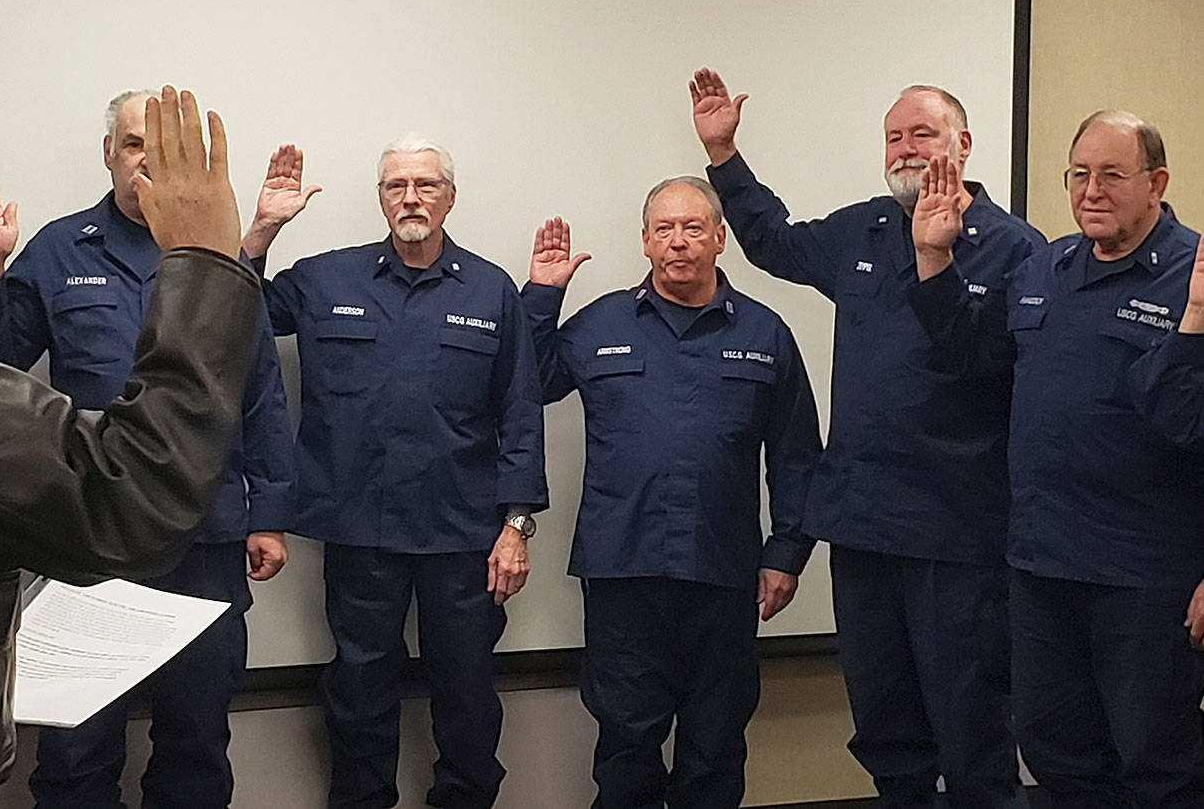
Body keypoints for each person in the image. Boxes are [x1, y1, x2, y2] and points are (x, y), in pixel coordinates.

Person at [0, 14, 261, 809]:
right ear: (109, 154)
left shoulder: (219, 264)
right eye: (132, 143)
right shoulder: (62, 249)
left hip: (204, 535)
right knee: (76, 752)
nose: (143, 159)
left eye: (156, 146)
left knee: (199, 737)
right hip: (80, 529)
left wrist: (265, 511)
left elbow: (256, 389)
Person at [689, 68, 1043, 808]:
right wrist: (724, 156)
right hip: (864, 524)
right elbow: (774, 242)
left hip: (959, 534)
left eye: (923, 133)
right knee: (885, 725)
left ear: (964, 143)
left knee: (971, 726)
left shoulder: (1015, 249)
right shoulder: (866, 226)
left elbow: (984, 364)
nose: (906, 149)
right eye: (894, 136)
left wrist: (936, 260)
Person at [241, 138, 547, 809]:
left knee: (466, 696)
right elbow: (239, 316)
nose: (411, 197)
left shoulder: (490, 289)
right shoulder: (325, 279)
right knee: (358, 693)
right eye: (395, 186)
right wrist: (262, 229)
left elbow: (521, 412)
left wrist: (517, 524)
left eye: (426, 185)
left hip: (463, 537)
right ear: (380, 198)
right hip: (360, 534)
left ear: (450, 196)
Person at [909, 112, 1204, 807]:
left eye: (1111, 174)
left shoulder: (1193, 275)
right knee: (1051, 744)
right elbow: (972, 361)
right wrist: (934, 261)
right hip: (1043, 566)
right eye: (1078, 174)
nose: (1091, 190)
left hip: (1146, 576)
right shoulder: (1045, 266)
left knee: (1158, 761)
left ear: (1157, 183)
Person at [520, 177, 822, 808]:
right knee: (627, 745)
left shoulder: (767, 335)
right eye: (663, 229)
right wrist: (543, 296)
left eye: (691, 228)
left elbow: (796, 456)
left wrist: (787, 552)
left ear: (719, 238)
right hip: (623, 573)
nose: (677, 242)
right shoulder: (601, 321)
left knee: (715, 750)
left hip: (723, 574)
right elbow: (533, 382)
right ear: (645, 241)